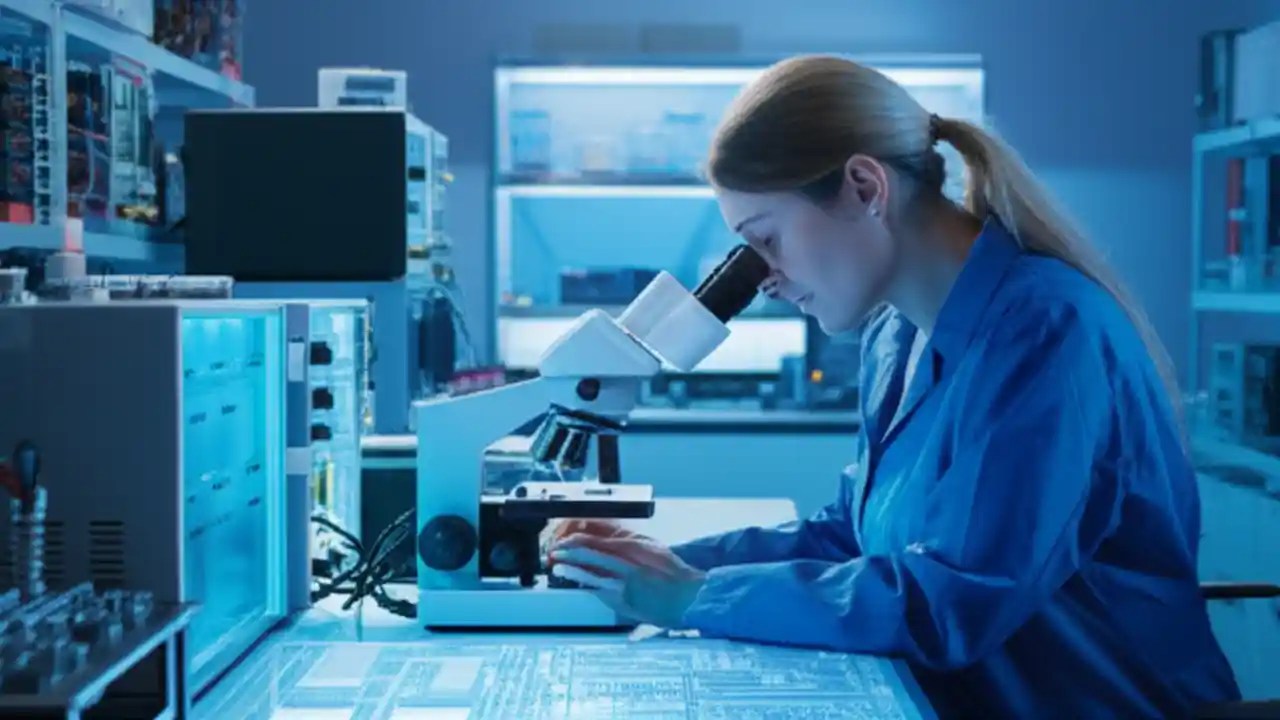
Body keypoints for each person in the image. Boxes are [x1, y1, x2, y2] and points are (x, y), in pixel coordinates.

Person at [546, 55, 1241, 718]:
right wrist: (661, 565)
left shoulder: (1050, 331)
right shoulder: (896, 335)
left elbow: (949, 603)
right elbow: (850, 536)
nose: (765, 281)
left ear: (865, 188)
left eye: (767, 241)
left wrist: (694, 598)